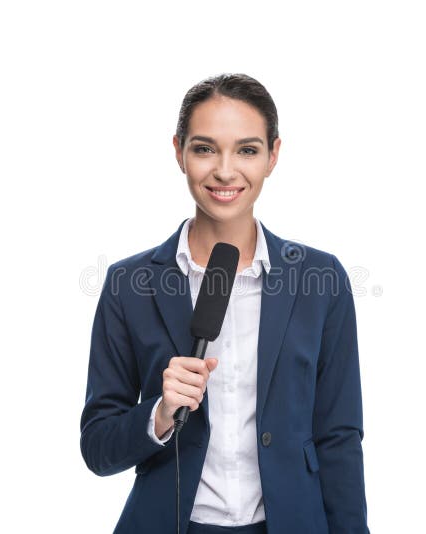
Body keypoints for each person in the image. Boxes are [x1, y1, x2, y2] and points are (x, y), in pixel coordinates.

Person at [80, 73, 370, 534]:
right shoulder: (128, 284)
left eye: (248, 150)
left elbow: (338, 438)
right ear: (179, 151)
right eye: (205, 148)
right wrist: (158, 413)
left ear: (273, 155)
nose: (225, 171)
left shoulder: (321, 280)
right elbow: (97, 446)